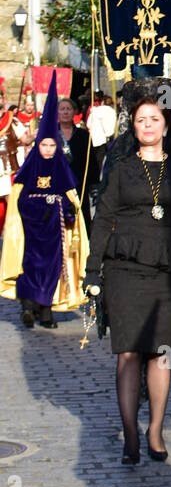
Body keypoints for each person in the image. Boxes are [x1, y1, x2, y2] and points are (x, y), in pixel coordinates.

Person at [83, 80, 171, 465]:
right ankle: (130, 432)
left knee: (161, 353)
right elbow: (102, 221)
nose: (148, 125)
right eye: (140, 120)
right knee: (129, 352)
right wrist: (92, 271)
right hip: (125, 269)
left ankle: (155, 429)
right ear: (132, 126)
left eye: (154, 119)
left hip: (166, 271)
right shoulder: (119, 170)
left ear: (165, 125)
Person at [0, 77, 88, 328]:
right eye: (44, 145)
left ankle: (46, 308)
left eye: (52, 145)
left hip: (53, 232)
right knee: (31, 265)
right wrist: (39, 209)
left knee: (51, 268)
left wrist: (67, 211)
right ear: (39, 145)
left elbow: (70, 200)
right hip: (32, 229)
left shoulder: (61, 169)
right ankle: (29, 306)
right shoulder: (30, 170)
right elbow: (20, 201)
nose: (48, 150)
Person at [57, 95, 98, 232]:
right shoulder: (51, 134)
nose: (65, 112)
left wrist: (94, 184)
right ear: (57, 112)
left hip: (79, 182)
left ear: (74, 112)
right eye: (62, 109)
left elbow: (91, 160)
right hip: (58, 183)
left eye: (68, 109)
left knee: (81, 216)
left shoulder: (83, 135)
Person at [0, 77, 29, 235]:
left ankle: (14, 244)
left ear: (3, 99)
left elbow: (25, 139)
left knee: (12, 212)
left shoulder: (12, 121)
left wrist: (39, 134)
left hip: (8, 173)